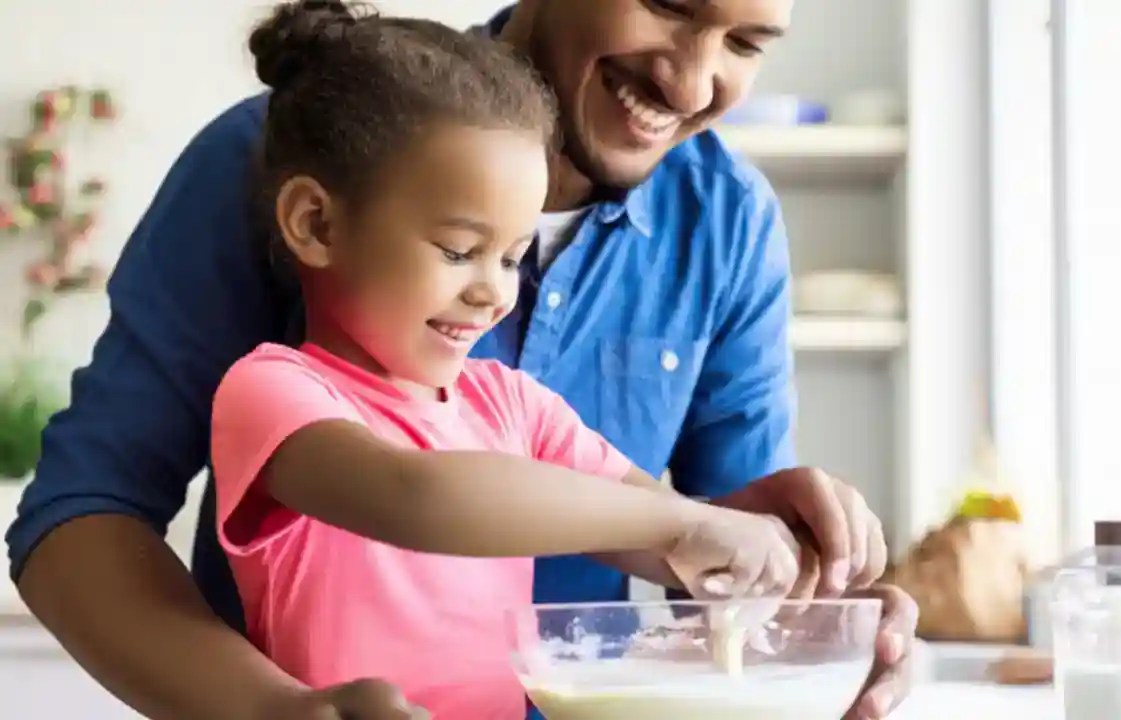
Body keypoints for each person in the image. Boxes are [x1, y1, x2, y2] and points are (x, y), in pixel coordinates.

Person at [6, 1, 917, 719]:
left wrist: (808, 608)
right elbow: (415, 495)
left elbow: (691, 557)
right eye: (668, 3)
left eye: (748, 42)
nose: (692, 80)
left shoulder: (709, 238)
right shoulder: (280, 303)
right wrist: (275, 710)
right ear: (314, 224)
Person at [211, 6, 802, 717]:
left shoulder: (510, 405)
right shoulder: (272, 393)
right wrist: (678, 526)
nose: (495, 291)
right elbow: (417, 498)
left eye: (514, 256)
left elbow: (656, 527)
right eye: (459, 251)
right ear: (317, 224)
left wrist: (758, 552)